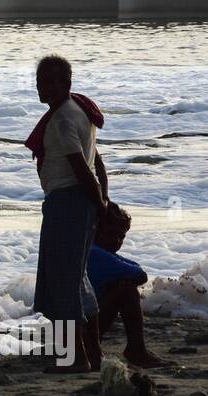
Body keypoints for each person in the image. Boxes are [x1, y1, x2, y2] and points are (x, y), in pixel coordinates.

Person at [25, 54, 108, 373]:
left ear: (66, 84)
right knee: (78, 278)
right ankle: (93, 354)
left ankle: (74, 358)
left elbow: (80, 167)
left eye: (47, 82)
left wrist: (99, 203)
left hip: (68, 203)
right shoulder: (79, 109)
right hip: (78, 202)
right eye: (39, 82)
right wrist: (102, 197)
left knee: (63, 281)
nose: (41, 88)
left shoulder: (61, 119)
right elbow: (95, 161)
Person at [88, 203, 173, 369]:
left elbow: (133, 268)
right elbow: (140, 275)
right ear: (95, 229)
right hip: (77, 330)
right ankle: (136, 350)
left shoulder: (90, 251)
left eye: (122, 237)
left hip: (71, 330)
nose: (116, 241)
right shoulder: (94, 253)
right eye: (111, 233)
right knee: (127, 291)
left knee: (121, 282)